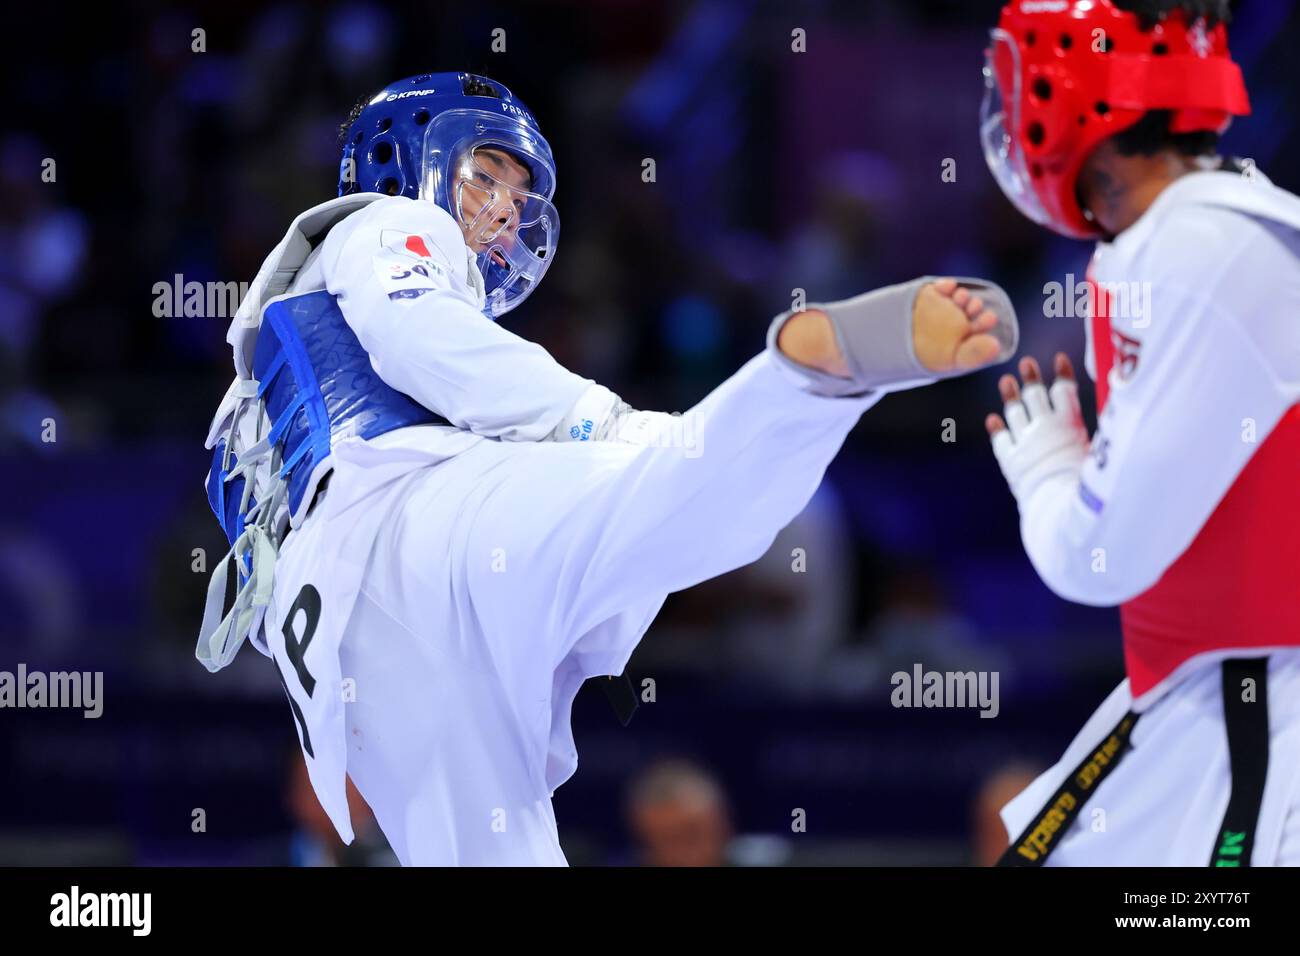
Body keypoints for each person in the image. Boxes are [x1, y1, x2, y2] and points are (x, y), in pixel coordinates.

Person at [196, 72, 1019, 865]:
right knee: (671, 488)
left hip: (345, 641)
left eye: (518, 199)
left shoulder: (258, 370)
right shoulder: (381, 225)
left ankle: (800, 385)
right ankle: (801, 382)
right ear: (402, 160)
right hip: (412, 518)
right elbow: (423, 341)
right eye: (484, 177)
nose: (502, 213)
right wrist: (601, 420)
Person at [980, 0, 1300, 865]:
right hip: (1214, 691)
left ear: (1062, 99)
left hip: (1260, 704)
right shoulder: (1193, 235)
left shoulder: (1208, 252)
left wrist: (1048, 470)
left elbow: (1098, 557)